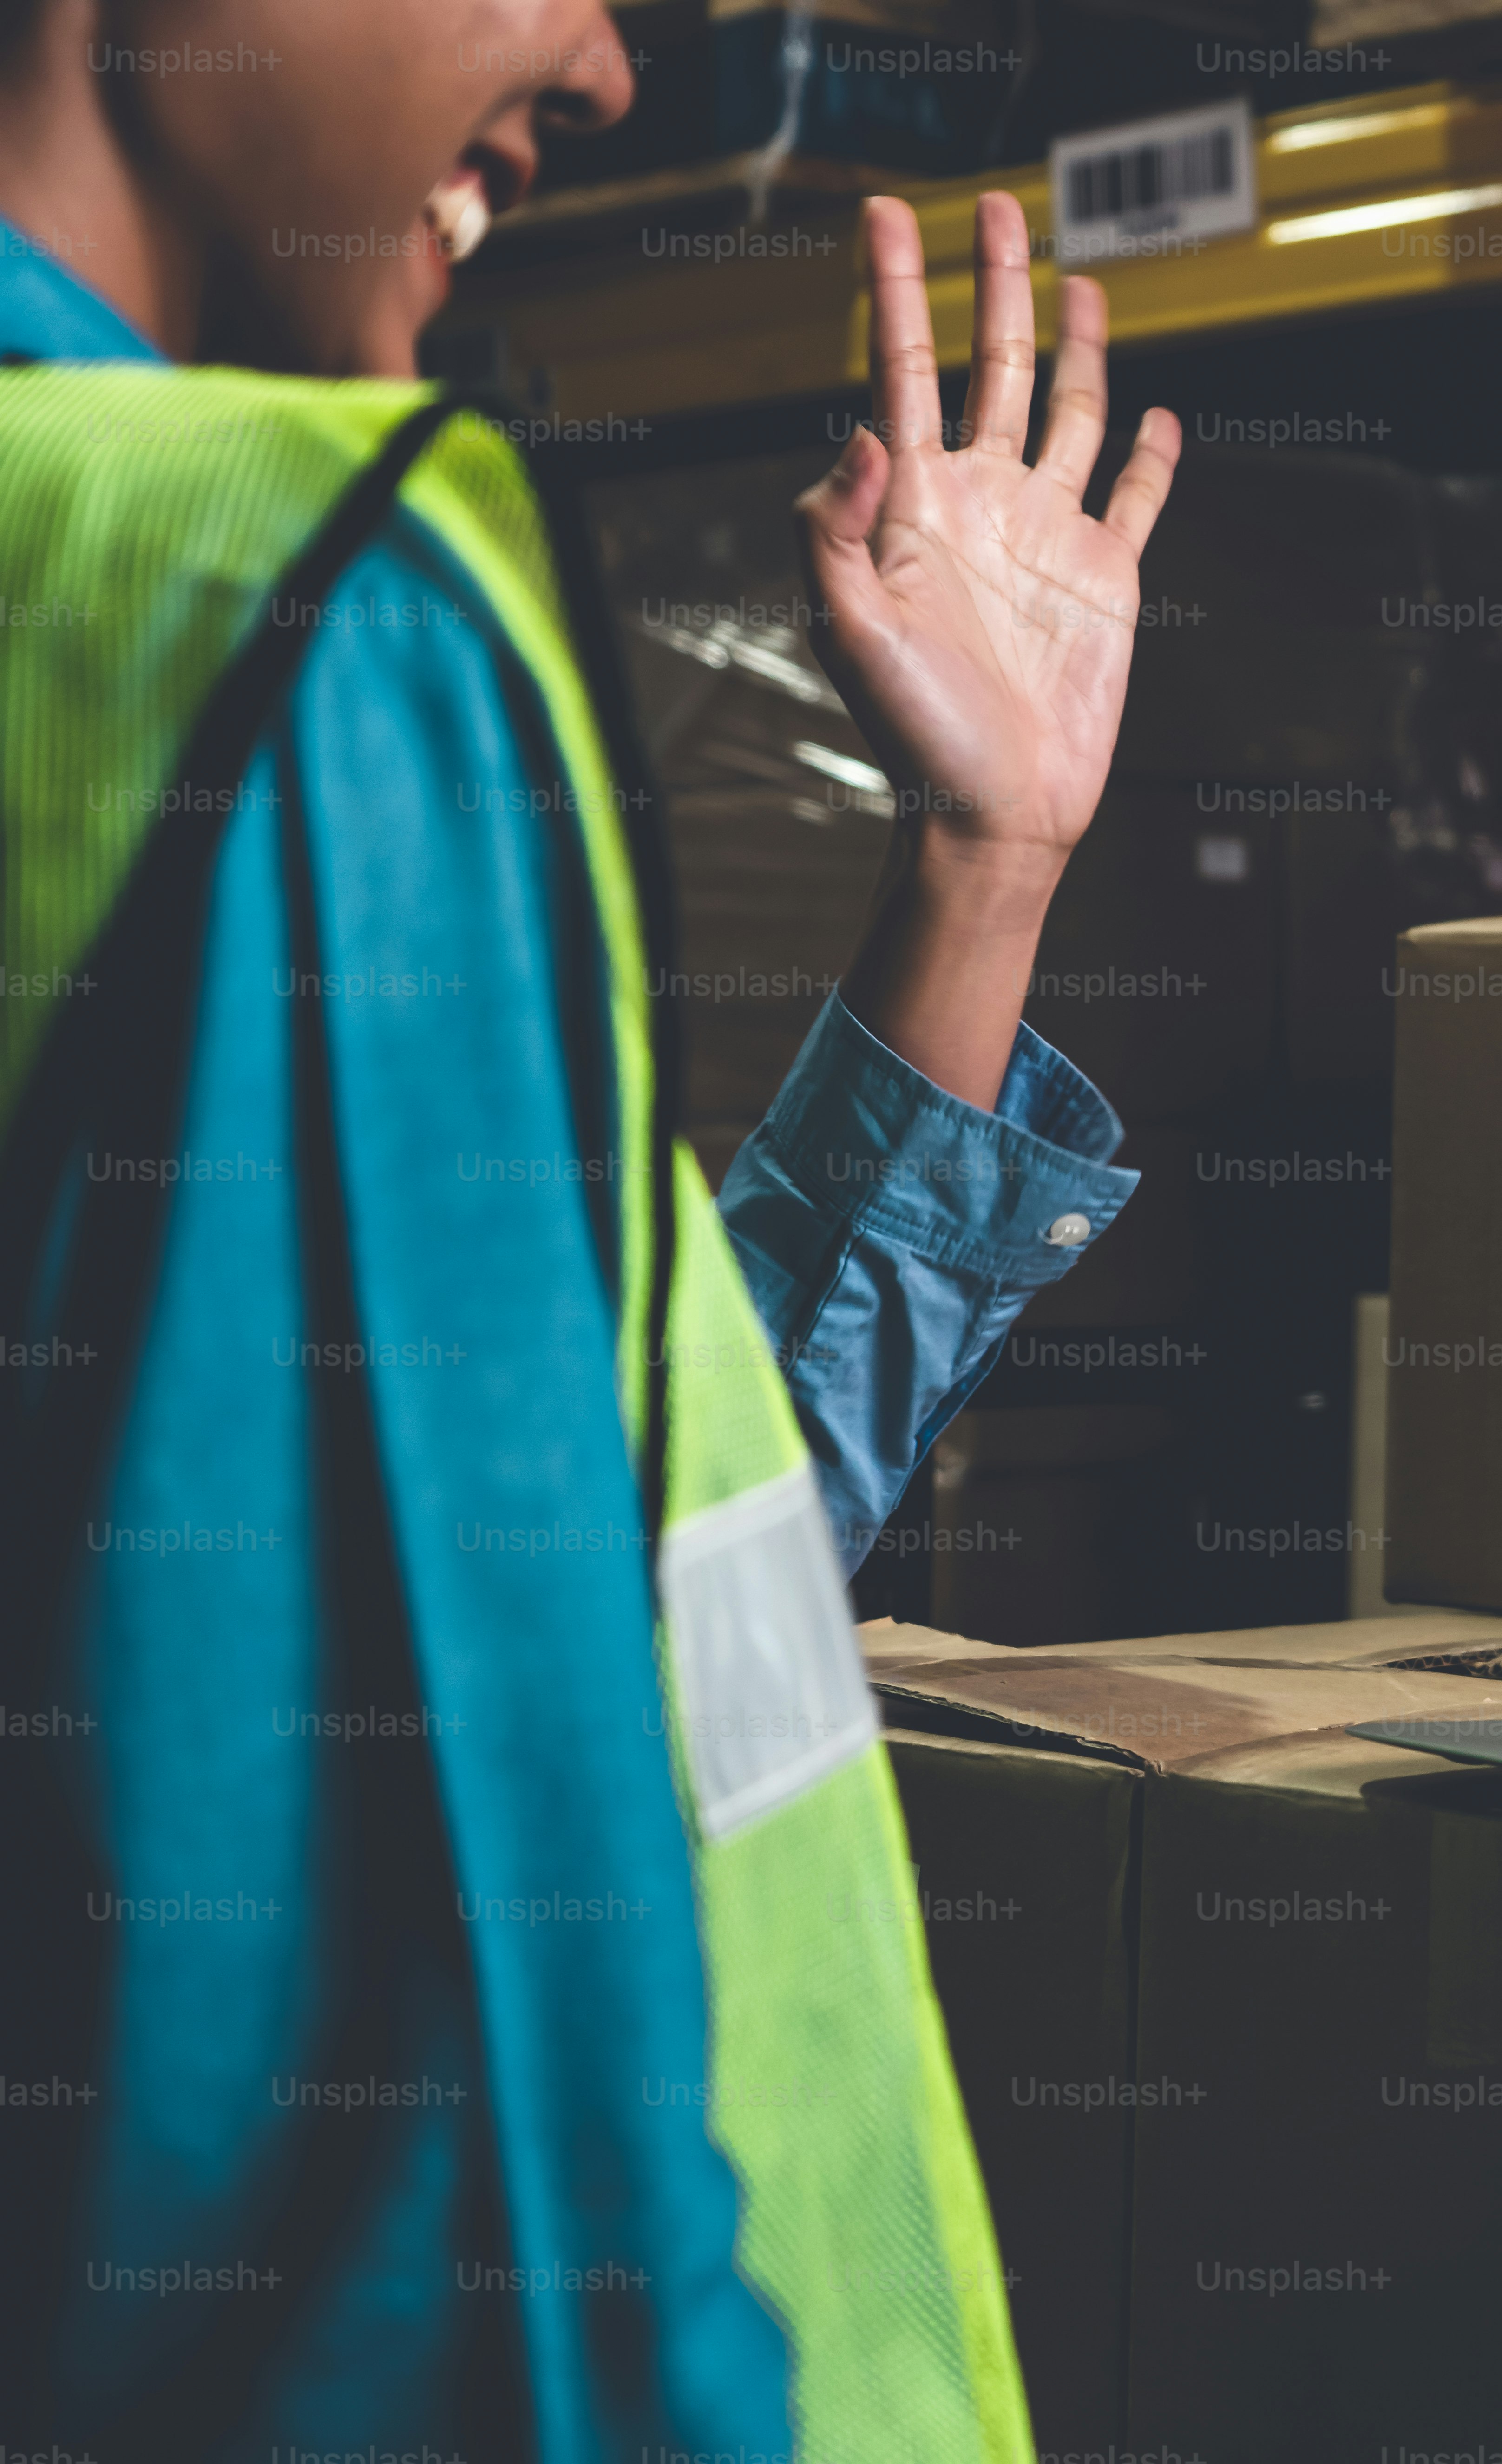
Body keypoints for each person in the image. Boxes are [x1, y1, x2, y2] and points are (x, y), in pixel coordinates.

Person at [0, 2, 1183, 2453]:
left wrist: (980, 873)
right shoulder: (279, 597)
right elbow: (437, 2110)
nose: (610, 69)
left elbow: (599, 1573)